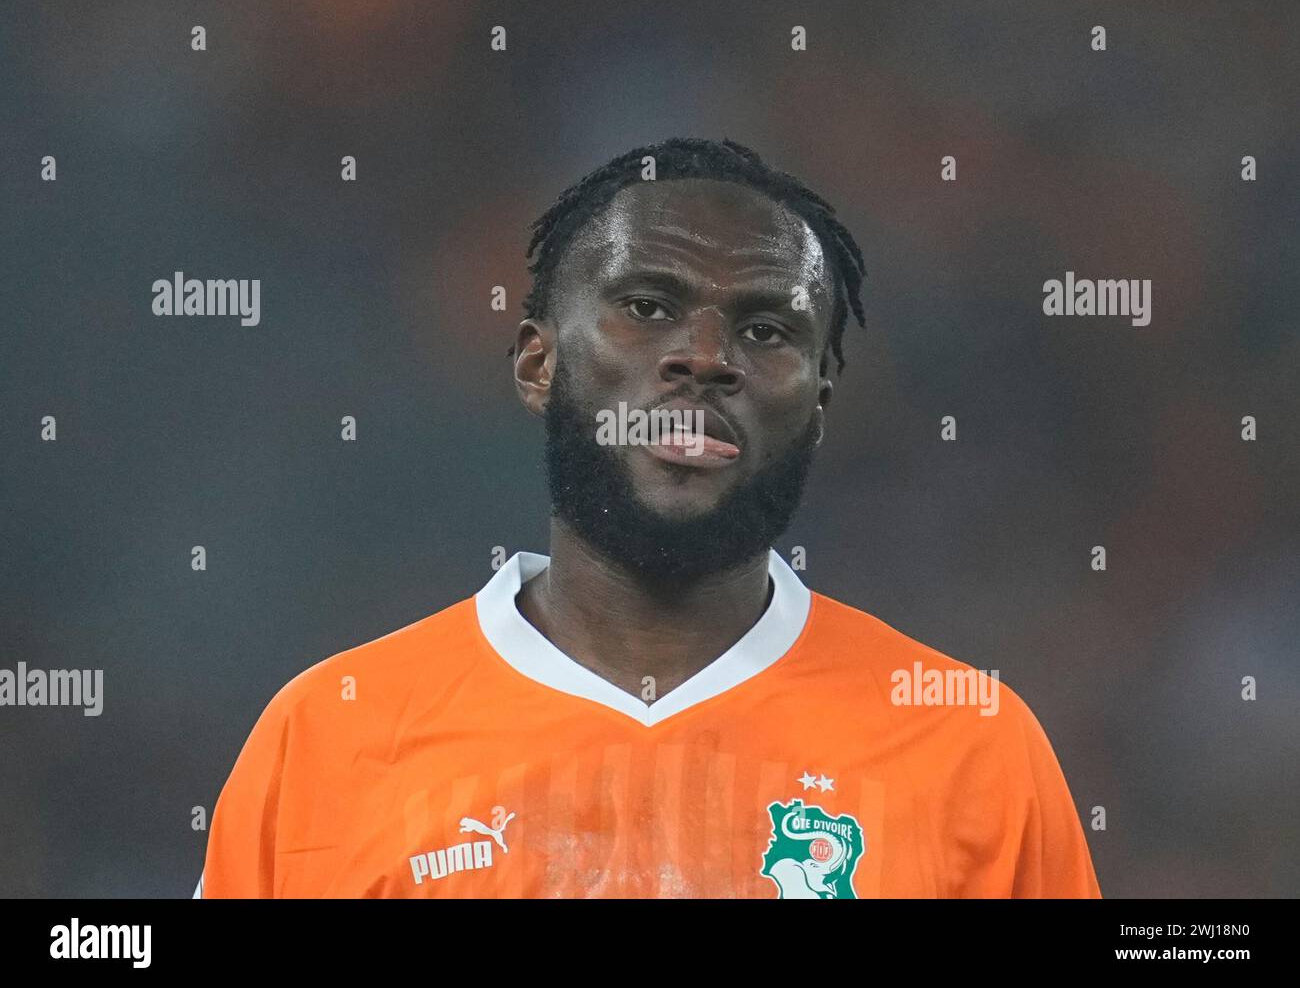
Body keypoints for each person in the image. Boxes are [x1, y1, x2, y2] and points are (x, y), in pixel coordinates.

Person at [193, 137, 1101, 898]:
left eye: (766, 329)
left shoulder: (969, 747)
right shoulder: (327, 739)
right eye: (647, 306)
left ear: (820, 400)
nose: (704, 358)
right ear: (537, 364)